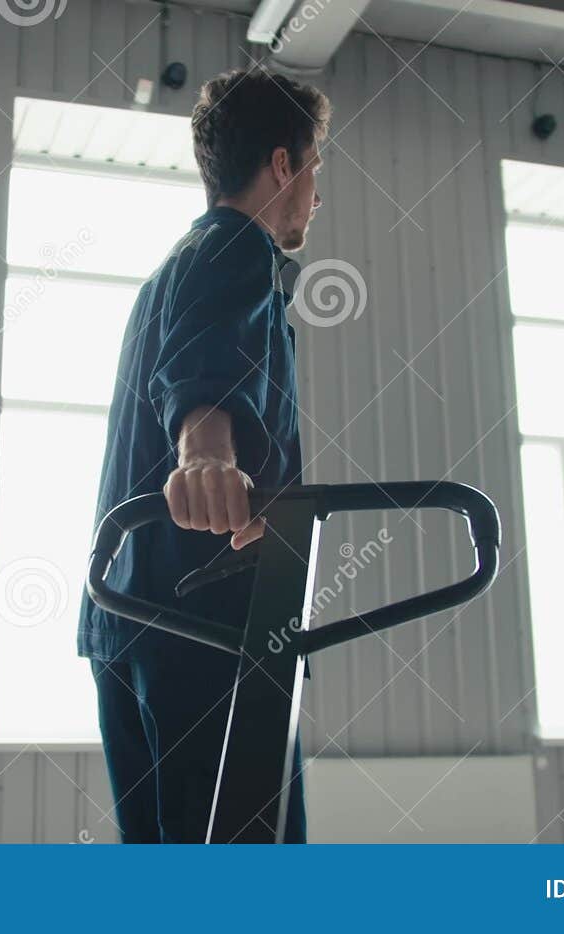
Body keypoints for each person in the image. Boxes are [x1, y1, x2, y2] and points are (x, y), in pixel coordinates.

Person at [76, 66, 330, 843]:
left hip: (132, 618)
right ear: (283, 165)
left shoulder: (166, 275)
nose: (318, 194)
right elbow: (199, 376)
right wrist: (206, 454)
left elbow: (182, 361)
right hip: (212, 625)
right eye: (317, 165)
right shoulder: (237, 251)